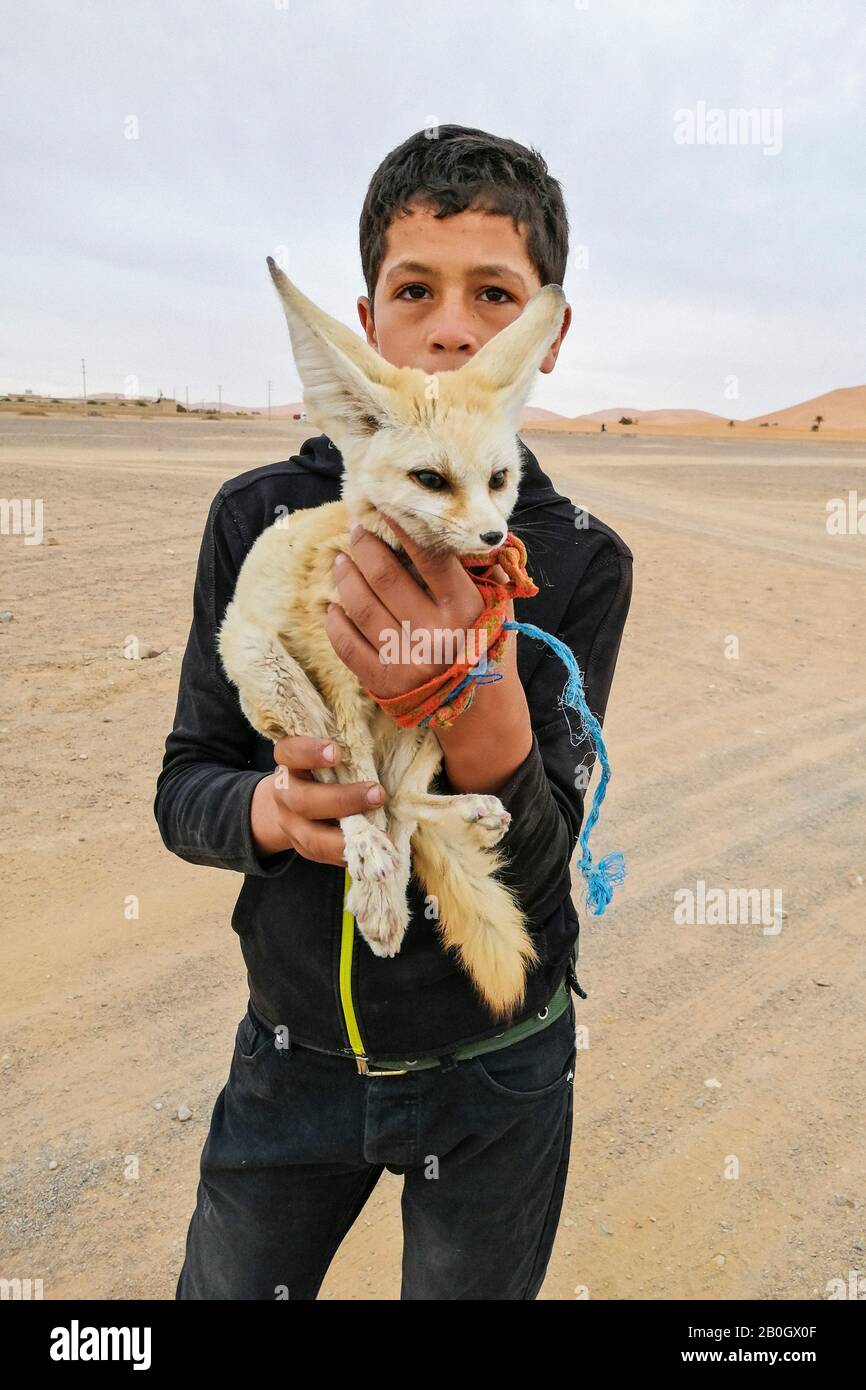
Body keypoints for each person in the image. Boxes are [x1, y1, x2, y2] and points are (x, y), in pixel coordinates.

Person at [155, 124, 633, 1301]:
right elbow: (186, 789)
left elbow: (538, 855)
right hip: (293, 1059)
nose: (452, 326)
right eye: (414, 288)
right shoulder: (260, 515)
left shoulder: (572, 561)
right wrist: (270, 810)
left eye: (495, 296)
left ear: (539, 342)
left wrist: (480, 713)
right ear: (365, 322)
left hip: (495, 1067)